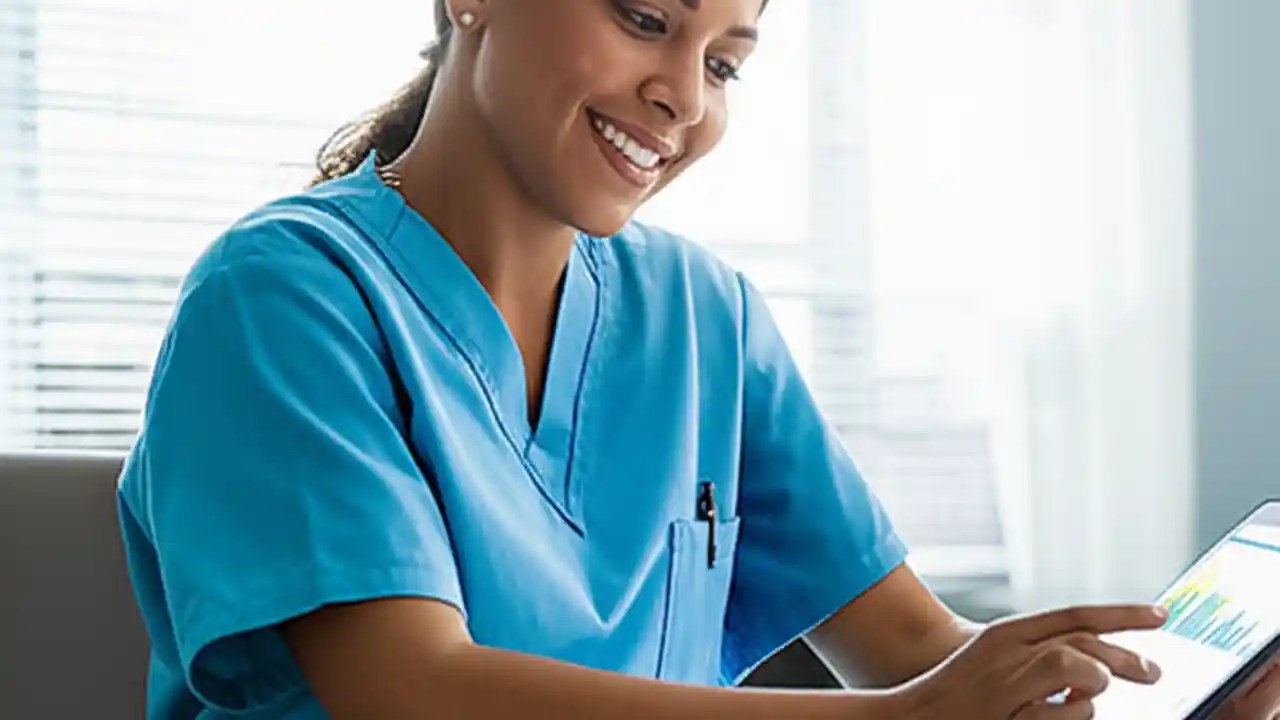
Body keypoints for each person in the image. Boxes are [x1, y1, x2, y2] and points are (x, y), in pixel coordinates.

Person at [114, 1, 1280, 718]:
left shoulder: (704, 317)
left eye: (724, 63)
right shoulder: (282, 295)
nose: (680, 95)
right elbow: (413, 690)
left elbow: (914, 652)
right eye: (641, 17)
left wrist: (1140, 704)